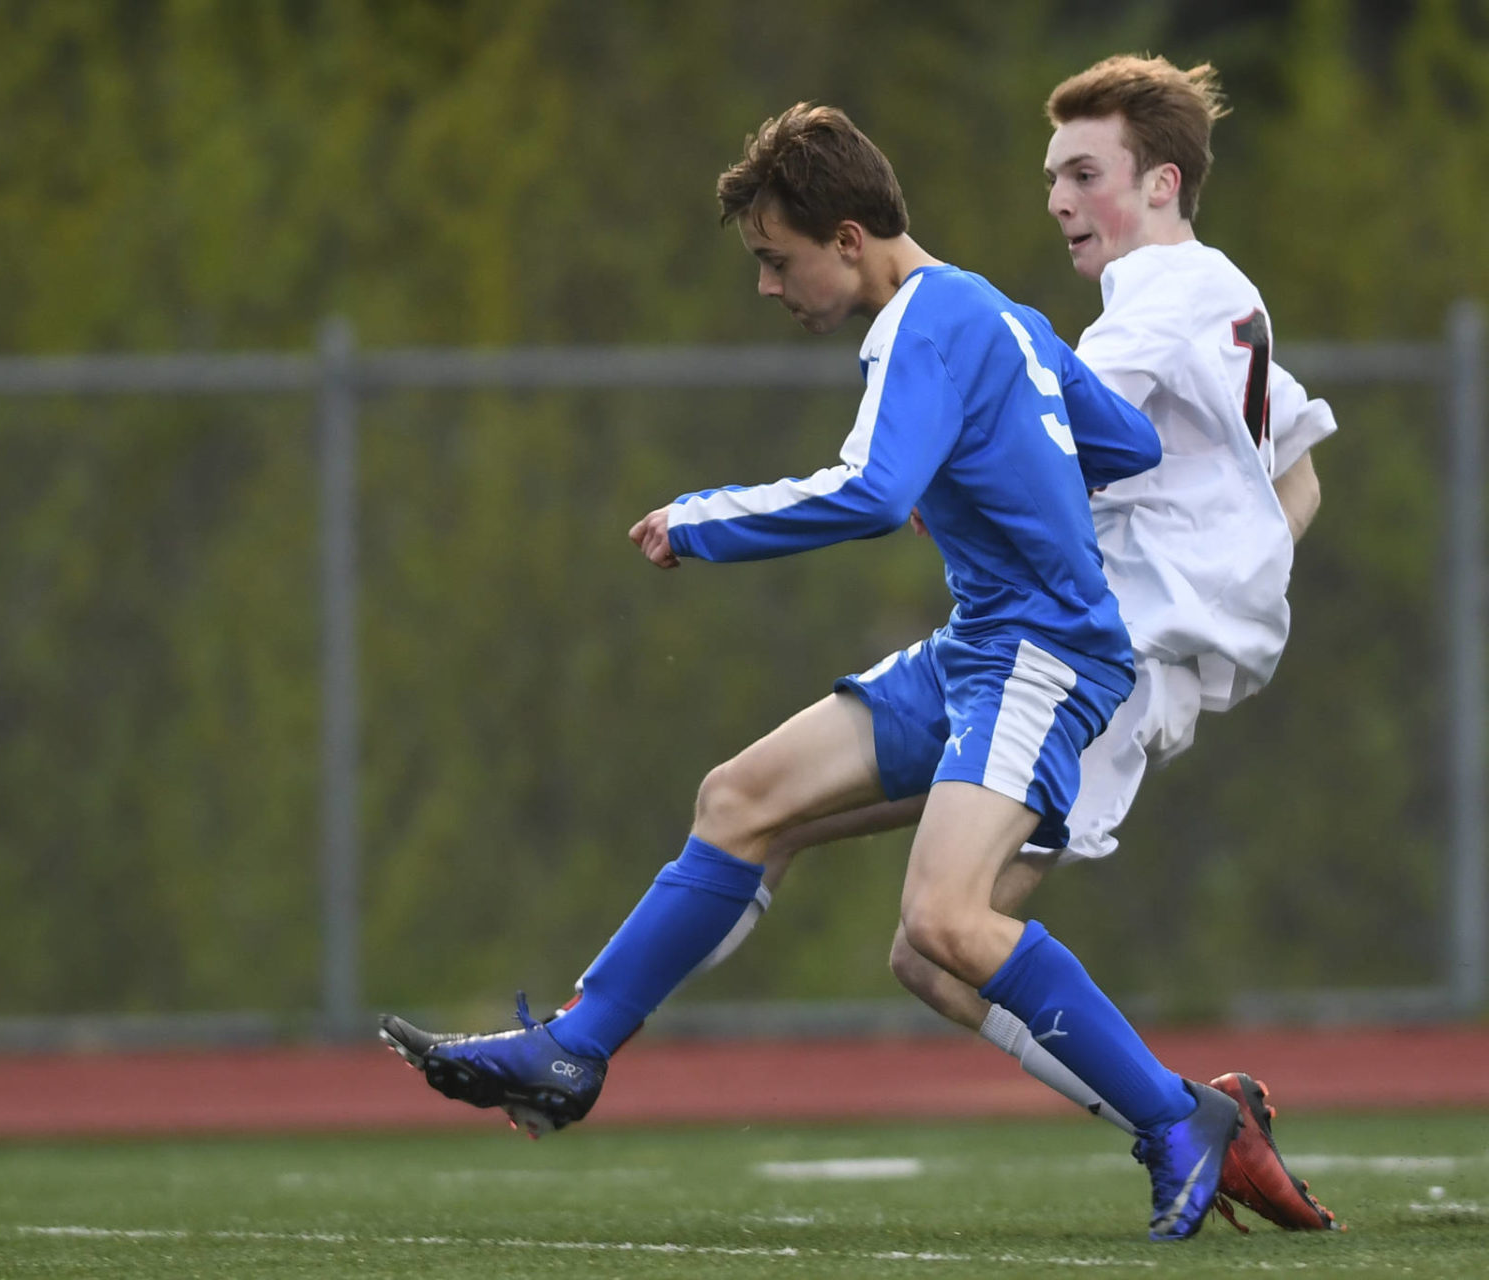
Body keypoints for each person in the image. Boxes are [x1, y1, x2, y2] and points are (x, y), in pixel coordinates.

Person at [383, 100, 1247, 1243]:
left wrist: (704, 520)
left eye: (775, 258)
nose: (766, 285)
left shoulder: (923, 322)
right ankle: (571, 1050)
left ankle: (1180, 1117)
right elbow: (1126, 443)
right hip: (982, 645)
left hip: (1040, 654)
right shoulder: (996, 310)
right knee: (739, 798)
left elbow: (873, 492)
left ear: (848, 237)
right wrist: (1005, 458)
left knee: (944, 921)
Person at [677, 56, 1342, 1233]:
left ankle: (1190, 1120)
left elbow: (1037, 419)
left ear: (1162, 183)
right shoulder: (1220, 301)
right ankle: (1191, 1117)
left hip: (1099, 663)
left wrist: (1177, 601)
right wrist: (1231, 585)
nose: (1058, 199)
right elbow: (1297, 477)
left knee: (939, 933)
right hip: (1105, 653)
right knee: (910, 933)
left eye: (1084, 173)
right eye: (1053, 176)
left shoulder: (1157, 298)